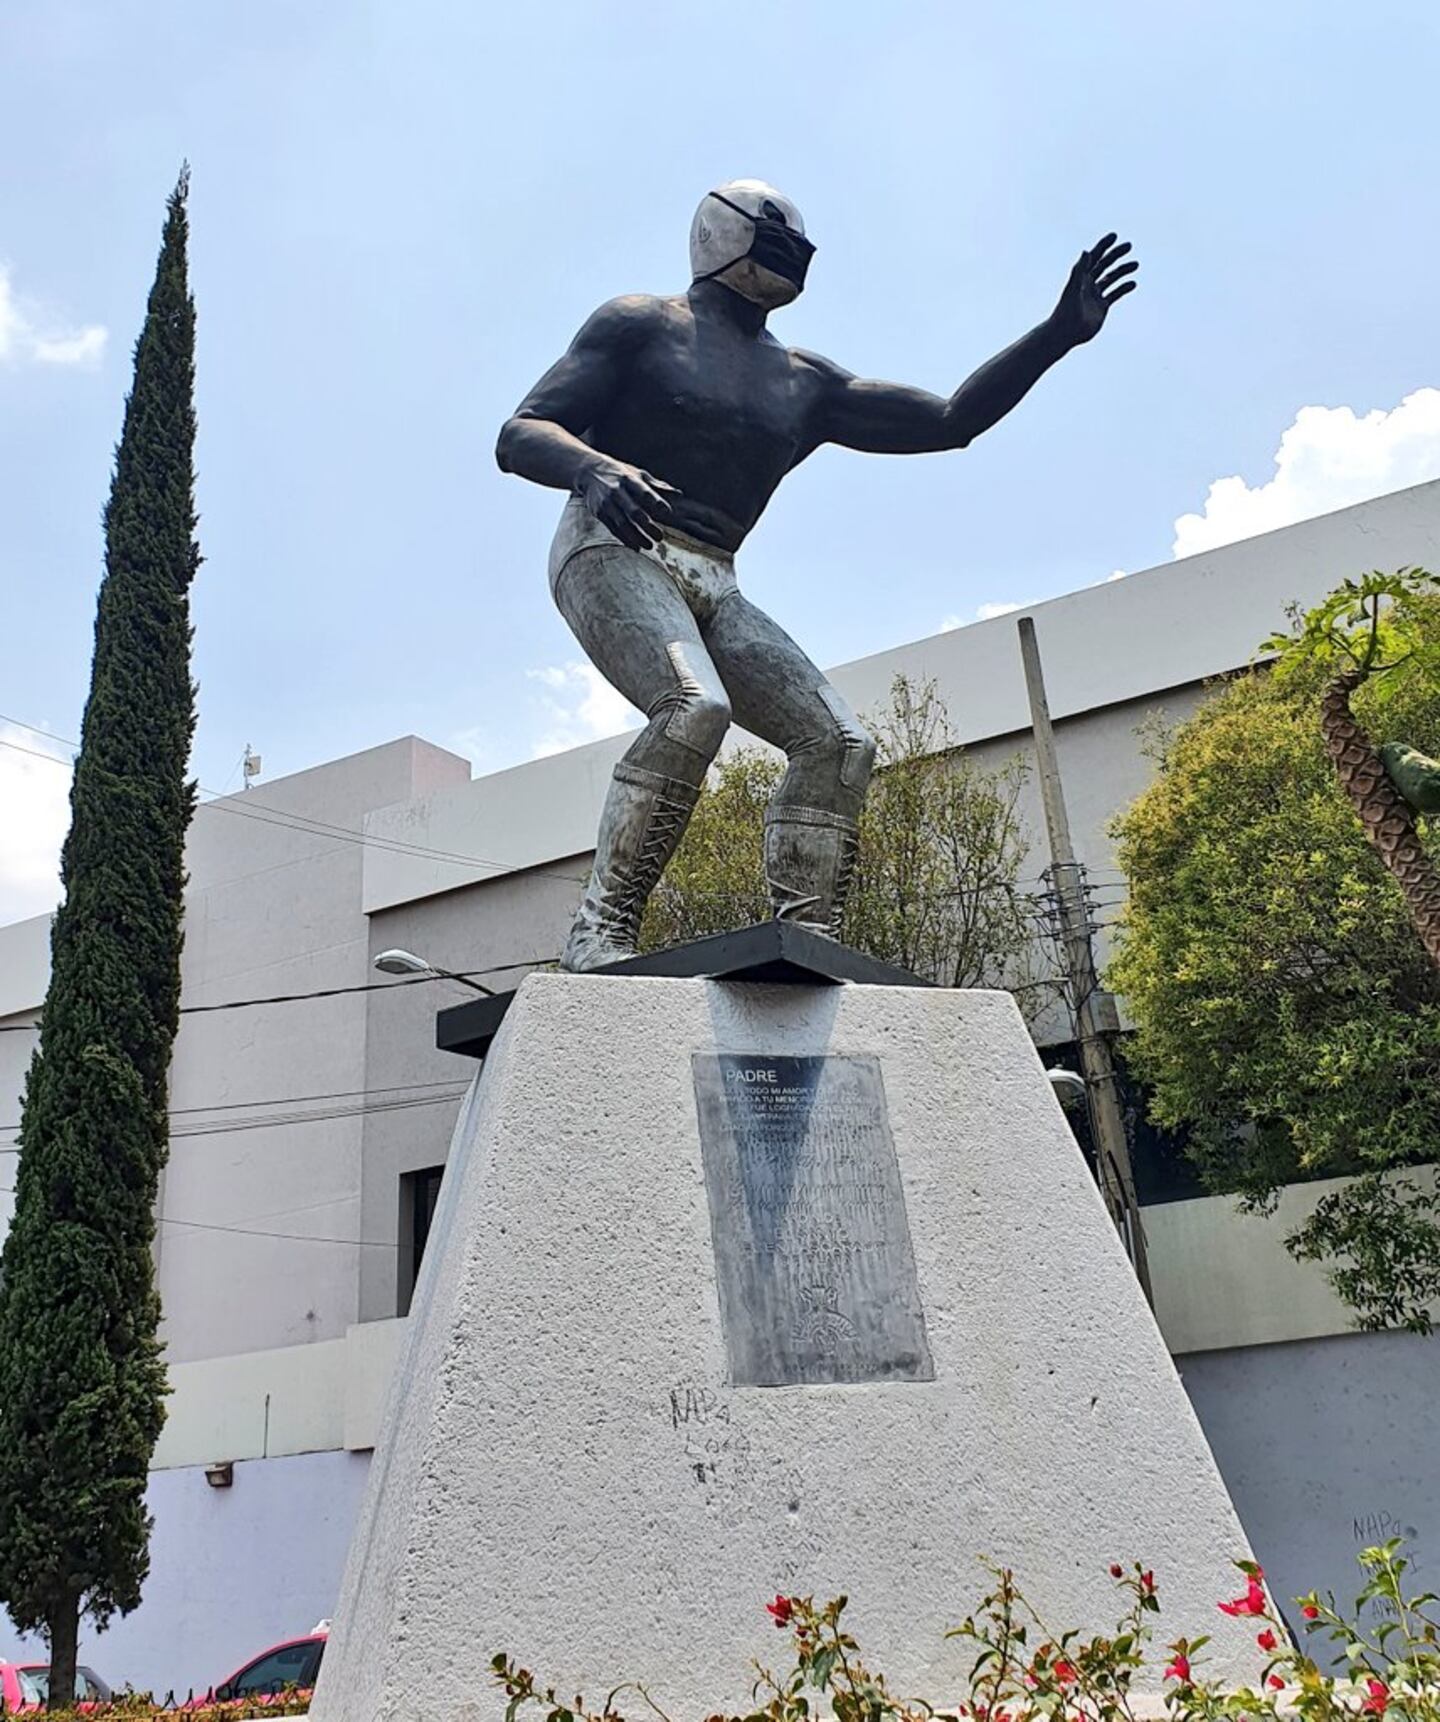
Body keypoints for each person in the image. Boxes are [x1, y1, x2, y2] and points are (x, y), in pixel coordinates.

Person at [497, 179, 1138, 972]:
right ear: (721, 234)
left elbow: (949, 421)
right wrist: (593, 468)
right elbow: (521, 431)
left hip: (715, 578)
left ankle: (807, 934)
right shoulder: (638, 323)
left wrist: (1054, 336)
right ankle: (603, 928)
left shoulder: (803, 380)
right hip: (610, 546)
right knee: (695, 708)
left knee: (838, 743)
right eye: (771, 232)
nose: (789, 249)